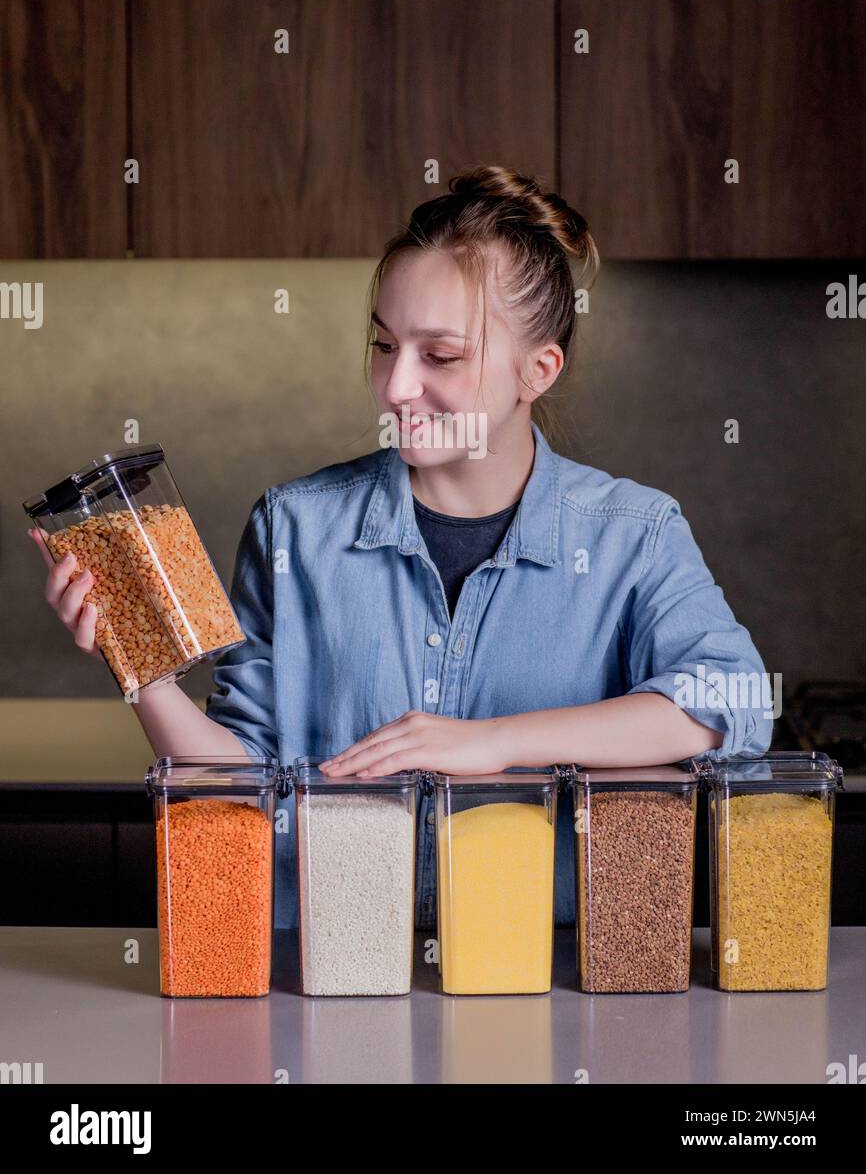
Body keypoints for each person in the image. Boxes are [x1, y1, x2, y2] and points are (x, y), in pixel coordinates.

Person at [30, 165, 772, 932]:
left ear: (538, 370)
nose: (394, 386)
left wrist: (492, 746)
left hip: (539, 990)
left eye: (439, 356)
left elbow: (739, 699)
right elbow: (233, 781)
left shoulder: (633, 535)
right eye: (384, 345)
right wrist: (142, 673)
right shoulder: (295, 530)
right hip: (328, 980)